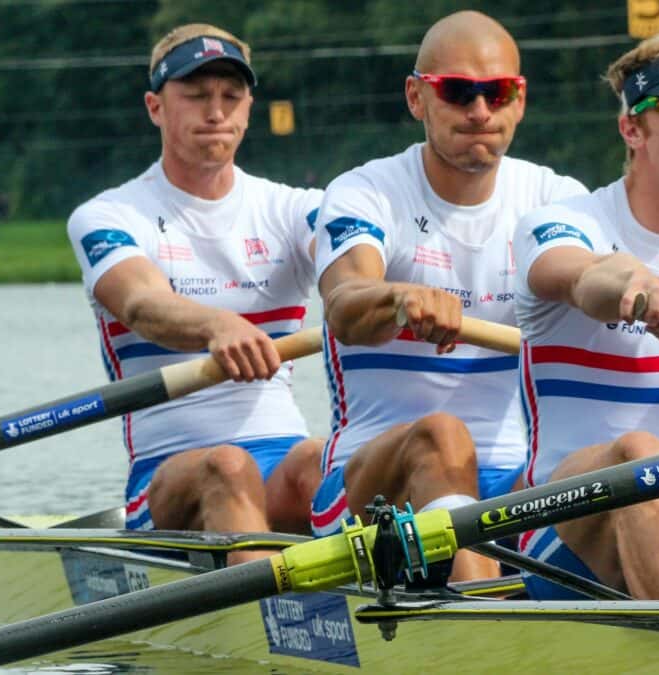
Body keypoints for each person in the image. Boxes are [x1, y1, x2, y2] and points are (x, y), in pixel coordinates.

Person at [308, 11, 586, 581]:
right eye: (457, 92)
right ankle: (488, 629)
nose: (480, 111)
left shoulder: (557, 198)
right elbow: (345, 301)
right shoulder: (366, 192)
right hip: (368, 495)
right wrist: (398, 299)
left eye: (497, 92)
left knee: (605, 459)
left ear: (520, 99)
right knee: (442, 434)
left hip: (513, 482)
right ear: (416, 97)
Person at [67, 24, 325, 562]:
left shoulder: (293, 208)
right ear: (155, 107)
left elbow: (362, 264)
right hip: (169, 477)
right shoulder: (108, 216)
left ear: (250, 108)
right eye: (196, 95)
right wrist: (217, 326)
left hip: (282, 458)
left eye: (231, 97)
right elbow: (141, 304)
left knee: (335, 459)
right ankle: (275, 626)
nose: (216, 112)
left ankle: (436, 610)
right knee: (228, 466)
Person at [511, 16, 659, 600]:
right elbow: (581, 274)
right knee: (643, 455)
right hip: (565, 522)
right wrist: (636, 283)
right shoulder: (566, 222)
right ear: (632, 130)